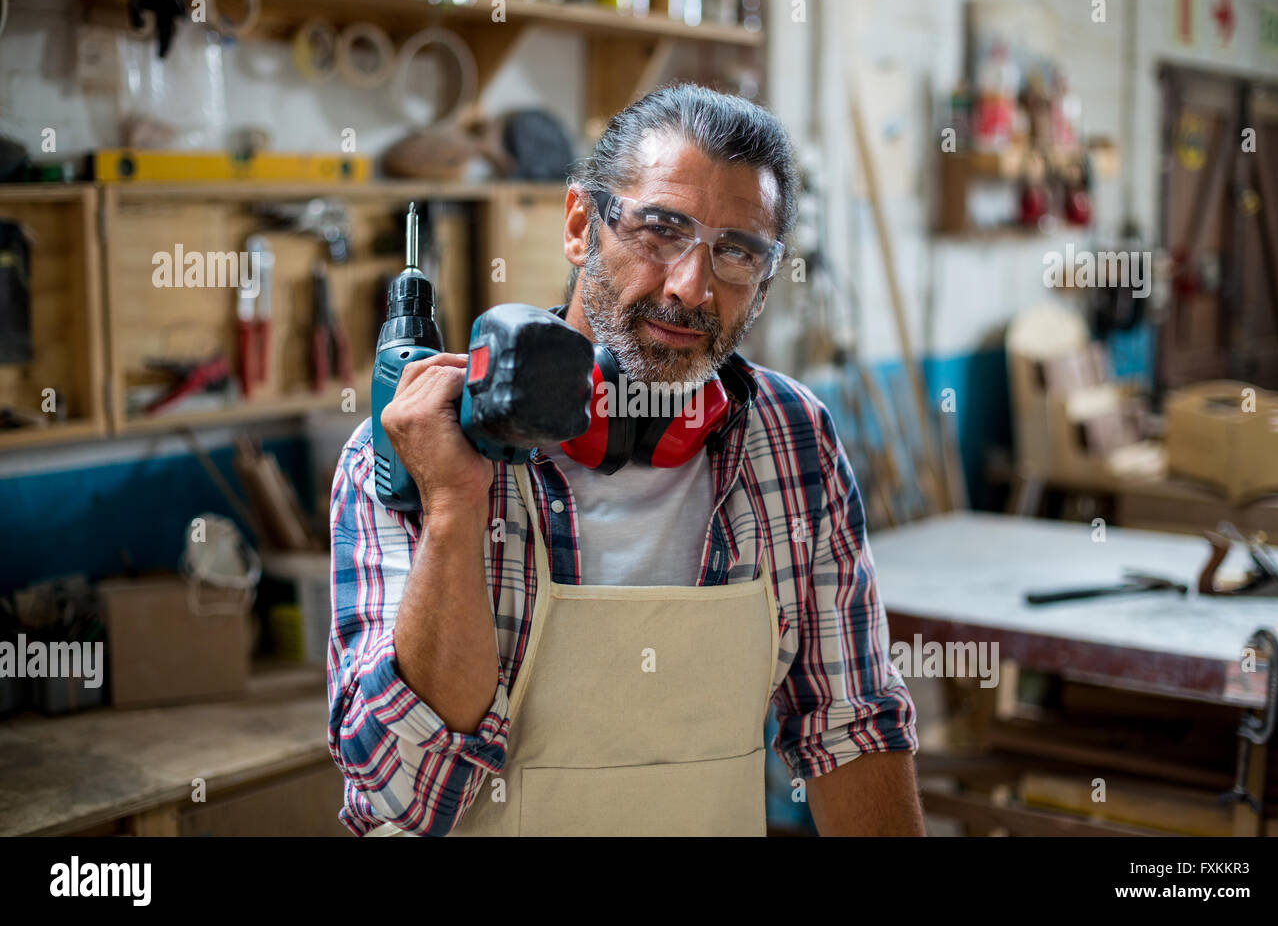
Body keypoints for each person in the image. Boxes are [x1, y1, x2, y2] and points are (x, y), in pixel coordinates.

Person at [328, 83, 922, 836]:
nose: (689, 287)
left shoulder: (791, 439)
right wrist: (453, 508)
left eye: (736, 253)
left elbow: (852, 730)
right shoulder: (417, 444)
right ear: (581, 225)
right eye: (660, 230)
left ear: (765, 282)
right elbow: (400, 798)